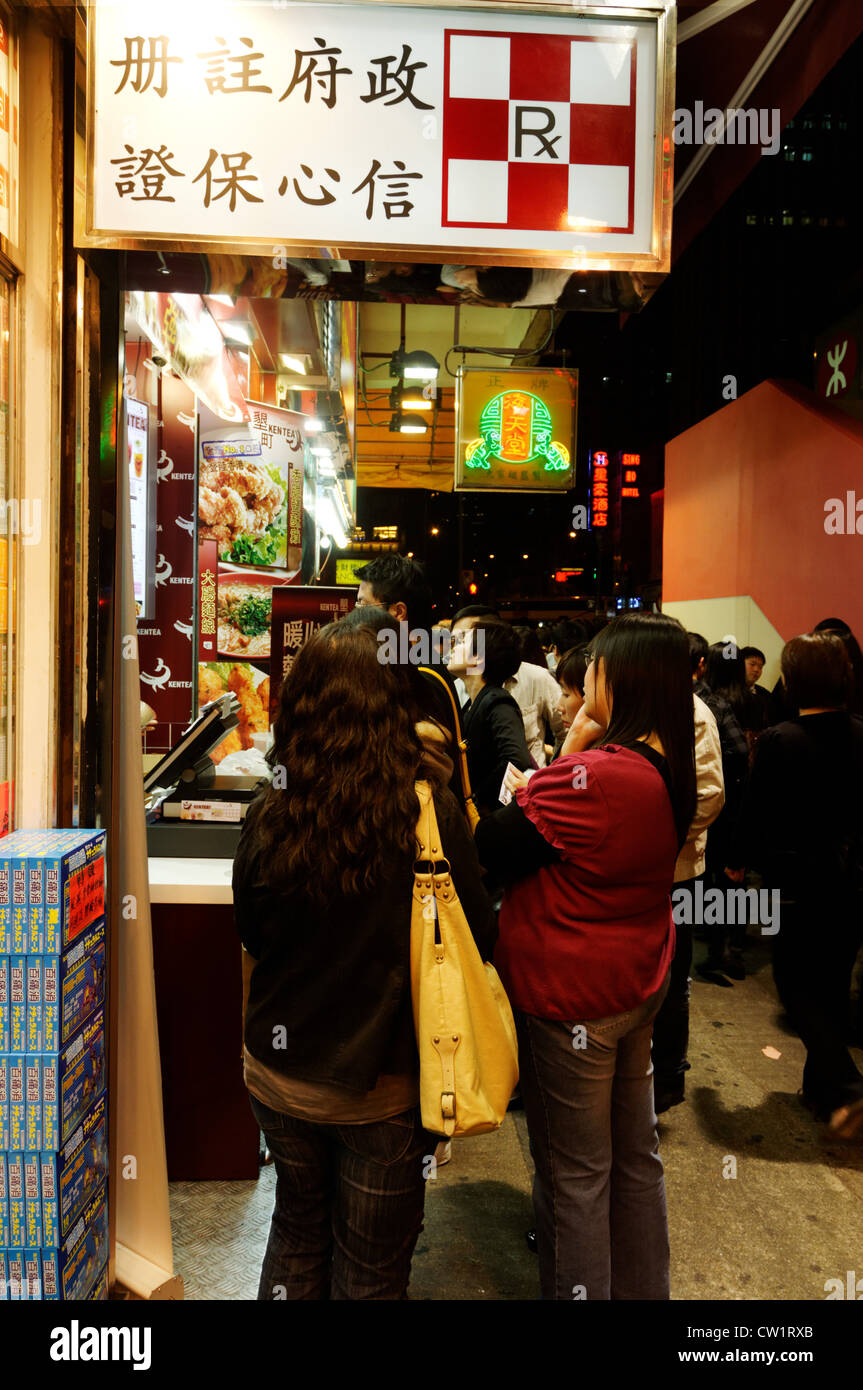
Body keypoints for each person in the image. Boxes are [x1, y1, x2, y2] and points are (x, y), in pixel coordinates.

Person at [233, 623, 496, 1299]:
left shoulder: (271, 812)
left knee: (295, 1231)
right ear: (399, 706)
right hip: (382, 1087)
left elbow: (254, 934)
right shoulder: (426, 813)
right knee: (371, 1270)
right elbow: (479, 935)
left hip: (278, 1075)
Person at [475, 613, 697, 1300]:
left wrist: (569, 744)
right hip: (635, 982)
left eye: (594, 665)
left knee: (574, 1172)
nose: (582, 676)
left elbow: (492, 843)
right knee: (633, 1156)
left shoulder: (600, 777)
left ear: (621, 676)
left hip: (572, 994)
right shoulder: (668, 764)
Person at [728, 633, 863, 1140]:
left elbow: (754, 814)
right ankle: (823, 1093)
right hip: (849, 885)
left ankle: (849, 1086)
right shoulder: (860, 733)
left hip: (797, 884)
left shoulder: (784, 739)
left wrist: (736, 865)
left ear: (793, 679)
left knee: (796, 984)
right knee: (830, 982)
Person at [651, 668, 725, 1113]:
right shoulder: (635, 704)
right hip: (637, 870)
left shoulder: (691, 712)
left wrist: (656, 836)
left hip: (677, 870)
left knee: (674, 978)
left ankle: (668, 1078)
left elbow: (710, 795)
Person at [355, 554, 471, 817]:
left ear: (397, 613)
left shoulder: (419, 677)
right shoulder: (412, 662)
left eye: (362, 606)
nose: (355, 617)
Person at [693, 638, 750, 984]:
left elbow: (738, 750)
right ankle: (732, 948)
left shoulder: (707, 702)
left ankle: (717, 947)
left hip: (715, 803)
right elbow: (744, 749)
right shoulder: (749, 699)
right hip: (735, 801)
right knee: (732, 877)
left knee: (712, 875)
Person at [448, 619, 531, 816]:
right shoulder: (474, 702)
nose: (454, 646)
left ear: (477, 658)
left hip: (489, 819)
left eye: (462, 642)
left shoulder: (497, 701)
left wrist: (478, 797)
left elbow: (516, 758)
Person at [739, 645, 772, 742]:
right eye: (752, 664)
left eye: (760, 667)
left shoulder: (765, 694)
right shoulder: (730, 693)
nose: (756, 670)